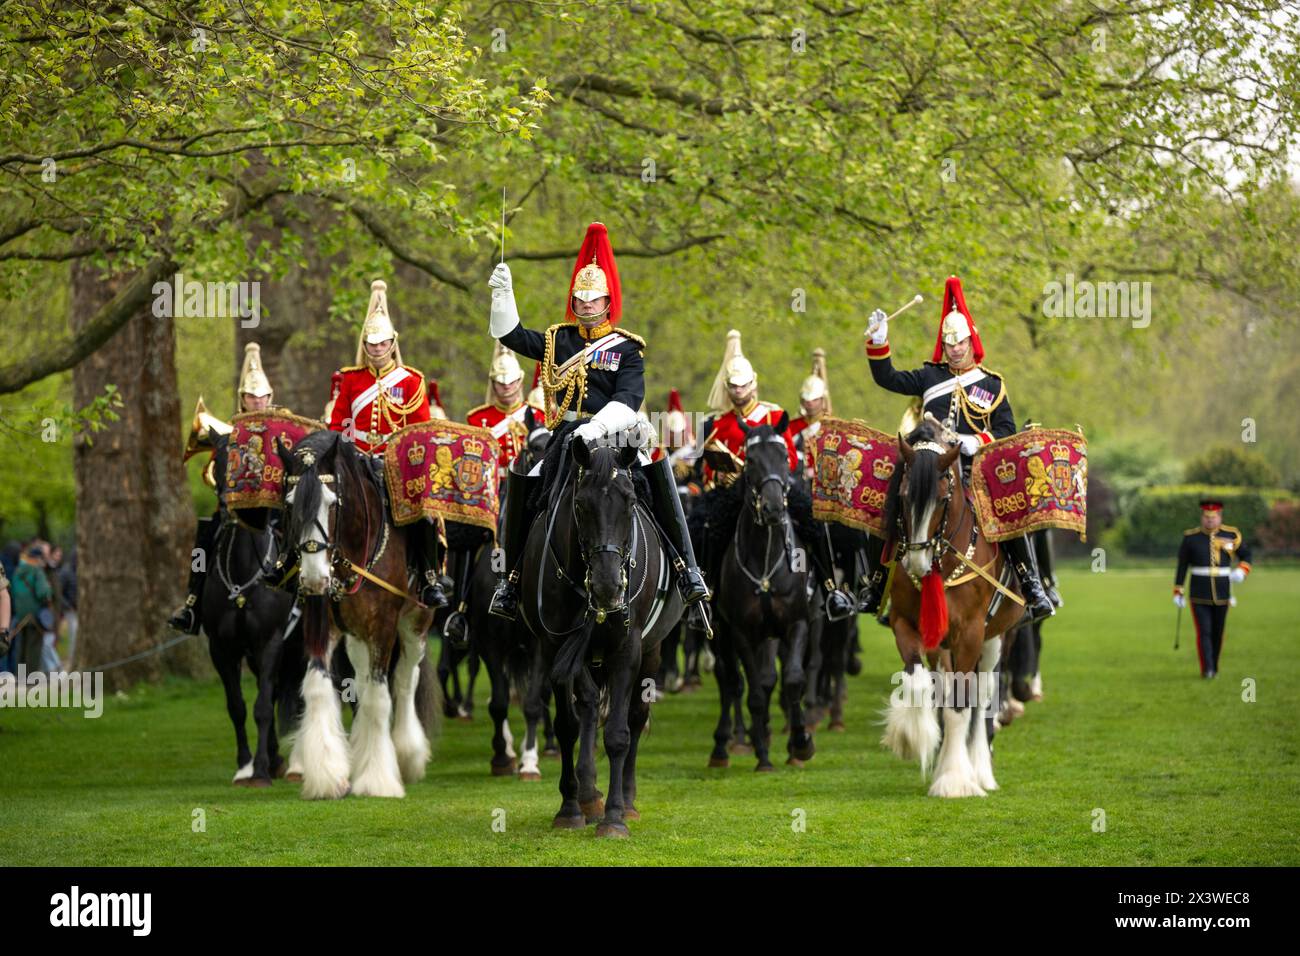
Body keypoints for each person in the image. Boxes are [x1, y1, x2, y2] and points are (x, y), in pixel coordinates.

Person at [485, 221, 709, 621]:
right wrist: (503, 296)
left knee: (657, 477)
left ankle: (686, 571)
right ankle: (512, 580)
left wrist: (597, 428)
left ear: (607, 302)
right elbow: (512, 336)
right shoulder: (560, 340)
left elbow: (629, 399)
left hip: (615, 436)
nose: (586, 306)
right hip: (569, 437)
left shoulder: (626, 348)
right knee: (528, 481)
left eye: (594, 301)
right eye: (580, 300)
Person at [862, 276, 1054, 621]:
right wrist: (879, 340)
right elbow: (887, 378)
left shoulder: (991, 384)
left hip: (971, 469)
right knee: (891, 500)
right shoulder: (928, 376)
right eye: (949, 344)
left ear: (971, 340)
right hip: (929, 464)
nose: (954, 349)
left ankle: (1031, 584)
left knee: (1006, 508)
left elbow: (1005, 431)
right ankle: (876, 585)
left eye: (960, 342)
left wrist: (971, 443)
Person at [690, 330, 856, 621]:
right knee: (707, 527)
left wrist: (770, 473)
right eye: (733, 386)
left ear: (754, 384)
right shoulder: (715, 424)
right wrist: (718, 477)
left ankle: (831, 591)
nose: (739, 391)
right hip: (735, 492)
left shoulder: (773, 415)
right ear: (728, 388)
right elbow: (704, 468)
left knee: (813, 522)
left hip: (773, 486)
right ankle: (707, 592)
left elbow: (791, 456)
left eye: (743, 385)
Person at [327, 279, 447, 609]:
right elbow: (337, 425)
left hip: (396, 463)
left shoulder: (411, 381)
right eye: (371, 344)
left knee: (422, 512)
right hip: (356, 461)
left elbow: (420, 431)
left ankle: (428, 577)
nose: (376, 350)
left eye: (382, 344)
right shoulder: (351, 379)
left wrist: (400, 459)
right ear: (364, 345)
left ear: (393, 343)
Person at [169, 343, 279, 633]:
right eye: (251, 397)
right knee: (203, 540)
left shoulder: (281, 428)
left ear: (270, 397)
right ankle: (192, 602)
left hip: (273, 509)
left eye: (262, 396)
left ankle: (309, 601)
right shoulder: (228, 432)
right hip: (233, 509)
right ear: (242, 399)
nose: (257, 401)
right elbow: (211, 473)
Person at [443, 344, 544, 645]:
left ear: (521, 381)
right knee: (463, 537)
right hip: (491, 495)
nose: (507, 389)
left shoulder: (538, 414)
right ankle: (459, 610)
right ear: (493, 384)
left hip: (529, 490)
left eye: (512, 383)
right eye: (500, 384)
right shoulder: (478, 419)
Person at [1174, 499, 1253, 678]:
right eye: (1207, 517)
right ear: (1202, 517)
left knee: (1218, 632)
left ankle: (1214, 665)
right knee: (1204, 631)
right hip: (1199, 593)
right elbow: (1182, 566)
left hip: (1223, 592)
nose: (1210, 520)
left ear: (1219, 517)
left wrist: (1242, 570)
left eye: (1214, 517)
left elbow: (1246, 555)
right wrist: (1178, 590)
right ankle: (1207, 669)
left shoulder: (1231, 534)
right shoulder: (1191, 538)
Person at [10, 543, 53, 678]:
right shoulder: (37, 571)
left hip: (20, 615)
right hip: (35, 615)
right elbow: (43, 593)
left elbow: (12, 591)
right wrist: (49, 589)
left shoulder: (18, 571)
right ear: (38, 558)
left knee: (21, 647)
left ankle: (20, 676)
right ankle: (32, 678)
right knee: (34, 647)